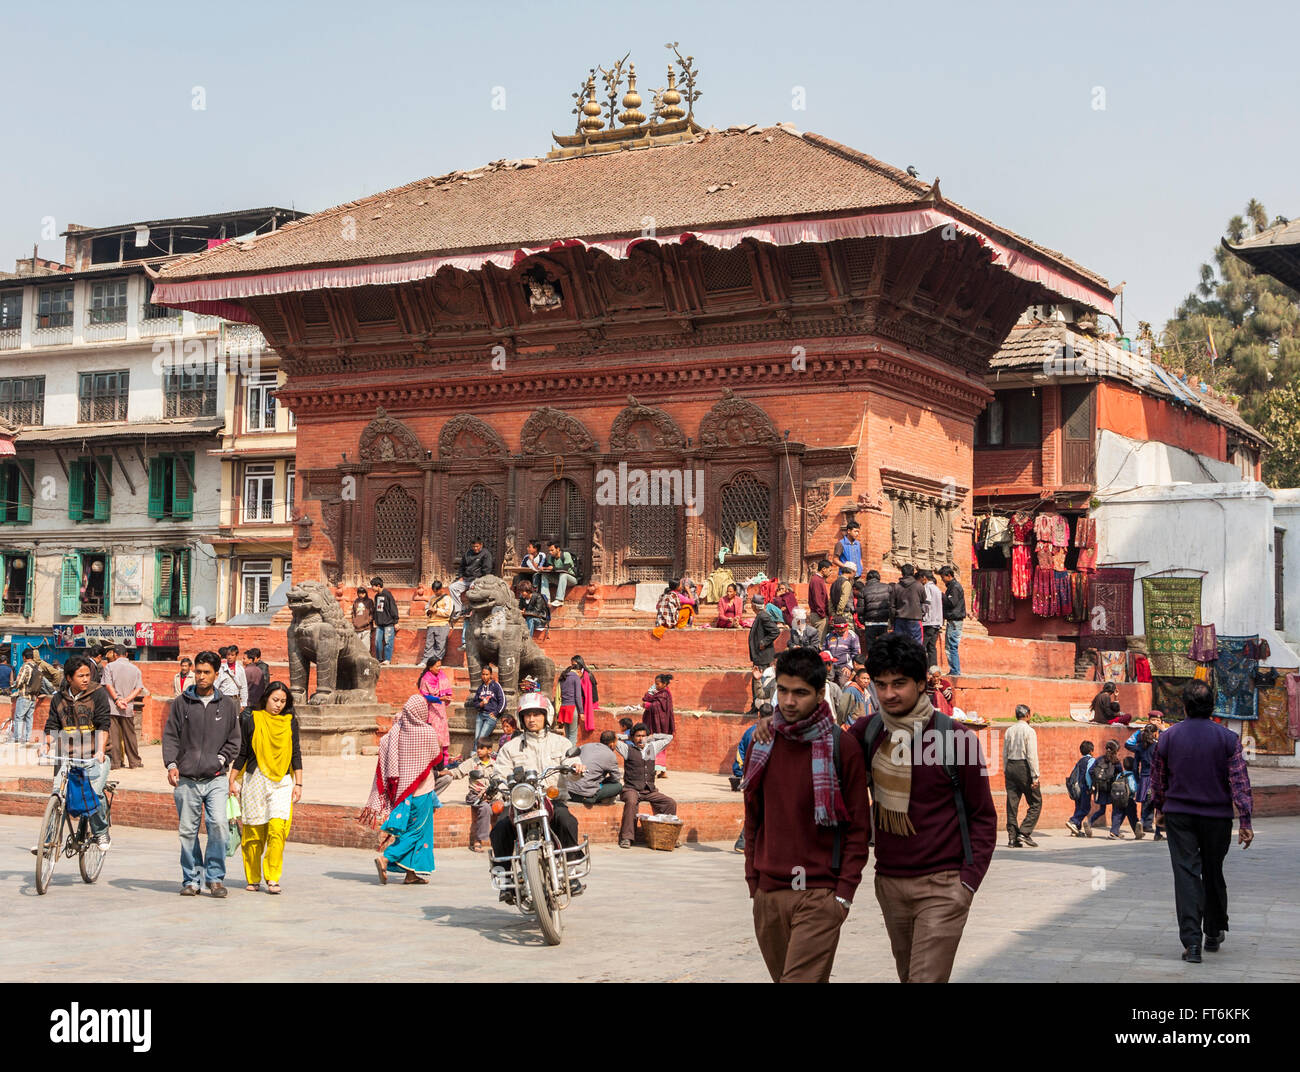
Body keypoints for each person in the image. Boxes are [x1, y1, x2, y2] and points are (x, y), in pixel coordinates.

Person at [856, 633, 996, 983]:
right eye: (881, 684)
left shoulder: (957, 737)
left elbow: (983, 815)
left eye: (899, 683)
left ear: (921, 684)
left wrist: (967, 881)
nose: (888, 694)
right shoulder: (867, 733)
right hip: (890, 883)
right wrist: (771, 723)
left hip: (944, 884)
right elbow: (817, 745)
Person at [742, 647, 870, 983]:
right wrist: (754, 882)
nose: (788, 701)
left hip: (819, 893)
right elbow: (754, 818)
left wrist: (842, 894)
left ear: (819, 693)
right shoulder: (763, 744)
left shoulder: (843, 748)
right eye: (782, 690)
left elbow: (859, 827)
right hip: (769, 893)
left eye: (800, 693)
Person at [1151, 679, 1254, 963]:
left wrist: (1159, 807)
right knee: (1212, 870)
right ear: (1212, 707)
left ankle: (1191, 943)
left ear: (1183, 706)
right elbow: (1239, 782)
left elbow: (1158, 779)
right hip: (1217, 818)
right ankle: (1213, 931)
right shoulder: (1227, 739)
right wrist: (1245, 821)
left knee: (1186, 874)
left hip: (1179, 816)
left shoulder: (1169, 737)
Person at [163, 651, 242, 896]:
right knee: (188, 831)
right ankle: (191, 879)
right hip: (186, 778)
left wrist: (220, 759)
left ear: (216, 675)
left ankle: (215, 877)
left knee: (218, 825)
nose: (201, 676)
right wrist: (172, 764)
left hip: (216, 778)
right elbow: (171, 737)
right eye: (198, 671)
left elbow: (234, 740)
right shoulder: (181, 703)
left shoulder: (227, 705)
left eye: (206, 672)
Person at [489, 694, 585, 882]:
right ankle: (503, 873)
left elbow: (572, 764)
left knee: (567, 821)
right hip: (520, 803)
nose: (532, 719)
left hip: (551, 801)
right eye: (527, 715)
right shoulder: (511, 747)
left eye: (536, 714)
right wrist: (496, 784)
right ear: (521, 719)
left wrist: (576, 768)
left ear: (546, 716)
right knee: (500, 827)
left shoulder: (561, 743)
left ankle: (571, 869)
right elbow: (499, 772)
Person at [360, 694, 444, 885]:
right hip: (422, 791)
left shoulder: (396, 732)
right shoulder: (426, 732)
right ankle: (386, 857)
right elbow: (438, 759)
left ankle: (411, 874)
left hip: (403, 793)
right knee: (417, 832)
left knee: (417, 831)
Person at [230, 681, 302, 893]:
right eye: (275, 700)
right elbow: (242, 751)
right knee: (253, 832)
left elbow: (296, 753)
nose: (278, 705)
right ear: (266, 698)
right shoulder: (252, 719)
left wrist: (298, 783)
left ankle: (272, 877)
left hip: (282, 781)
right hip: (255, 780)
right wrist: (232, 779)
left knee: (277, 829)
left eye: (283, 701)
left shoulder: (289, 722)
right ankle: (253, 878)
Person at [41, 654, 113, 849]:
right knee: (58, 794)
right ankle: (48, 840)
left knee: (94, 794)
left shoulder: (98, 694)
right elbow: (52, 726)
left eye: (88, 675)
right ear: (69, 677)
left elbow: (103, 725)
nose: (85, 679)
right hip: (67, 756)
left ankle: (100, 832)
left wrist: (99, 751)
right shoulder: (58, 698)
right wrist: (45, 745)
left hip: (94, 755)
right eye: (81, 676)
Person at [614, 722, 676, 848]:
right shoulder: (627, 749)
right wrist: (628, 737)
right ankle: (627, 838)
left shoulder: (653, 747)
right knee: (631, 803)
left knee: (670, 803)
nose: (641, 738)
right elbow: (613, 738)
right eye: (637, 736)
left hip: (650, 790)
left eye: (643, 736)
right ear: (633, 737)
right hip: (631, 789)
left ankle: (666, 835)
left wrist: (652, 737)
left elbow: (669, 737)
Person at [446, 737, 496, 851]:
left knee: (504, 806)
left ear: (489, 750)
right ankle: (478, 840)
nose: (479, 751)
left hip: (491, 795)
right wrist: (442, 773)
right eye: (478, 748)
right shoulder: (472, 762)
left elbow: (499, 780)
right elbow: (457, 772)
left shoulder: (495, 765)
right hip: (475, 795)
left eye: (482, 748)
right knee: (485, 808)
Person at [1003, 703, 1042, 848]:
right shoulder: (1029, 731)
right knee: (1036, 801)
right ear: (1027, 715)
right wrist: (1035, 776)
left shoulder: (1009, 730)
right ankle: (1024, 832)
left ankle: (1012, 838)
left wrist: (1006, 769)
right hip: (1023, 767)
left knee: (1012, 804)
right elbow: (1031, 755)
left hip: (1011, 766)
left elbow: (1004, 753)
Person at [101, 644, 144, 770]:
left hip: (113, 706)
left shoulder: (109, 666)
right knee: (130, 735)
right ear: (126, 655)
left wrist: (117, 700)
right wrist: (126, 700)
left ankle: (115, 762)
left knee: (113, 736)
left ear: (114, 654)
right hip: (127, 706)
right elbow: (139, 688)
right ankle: (134, 761)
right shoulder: (135, 669)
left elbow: (108, 685)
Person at [14, 647, 57, 746]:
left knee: (19, 717)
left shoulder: (26, 666)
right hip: (34, 697)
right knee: (29, 717)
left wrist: (13, 685)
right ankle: (27, 739)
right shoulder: (38, 667)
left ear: (24, 657)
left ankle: (17, 739)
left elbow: (19, 682)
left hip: (24, 695)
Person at [567, 730, 624, 805]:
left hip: (569, 791)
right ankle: (592, 798)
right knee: (618, 786)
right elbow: (616, 779)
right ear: (612, 744)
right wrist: (604, 779)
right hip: (584, 795)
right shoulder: (611, 755)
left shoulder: (586, 745)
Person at [1126, 721, 1162, 838]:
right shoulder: (1157, 746)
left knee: (1147, 804)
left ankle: (1141, 822)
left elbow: (1135, 766)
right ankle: (1157, 833)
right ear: (1155, 733)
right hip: (1155, 779)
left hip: (1144, 778)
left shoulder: (1140, 747)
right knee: (1158, 805)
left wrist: (1137, 780)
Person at [1084, 739, 1122, 836]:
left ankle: (1089, 822)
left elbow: (1091, 771)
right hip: (1112, 789)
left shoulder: (1099, 759)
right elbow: (1121, 774)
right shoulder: (1116, 762)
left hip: (1100, 788)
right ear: (1116, 750)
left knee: (1102, 810)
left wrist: (1095, 782)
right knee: (1116, 810)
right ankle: (1114, 831)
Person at [557, 655, 596, 745]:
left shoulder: (563, 676)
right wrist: (581, 712)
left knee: (567, 735)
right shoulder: (575, 677)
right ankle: (571, 756)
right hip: (572, 708)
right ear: (578, 671)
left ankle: (565, 754)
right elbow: (577, 696)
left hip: (563, 708)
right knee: (573, 735)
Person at [641, 673, 675, 777]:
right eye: (655, 683)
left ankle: (655, 769)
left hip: (660, 724)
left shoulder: (664, 694)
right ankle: (661, 770)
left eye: (658, 684)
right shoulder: (658, 692)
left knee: (656, 745)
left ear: (664, 684)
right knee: (658, 745)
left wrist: (647, 705)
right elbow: (646, 697)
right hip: (656, 723)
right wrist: (650, 693)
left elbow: (658, 707)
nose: (656, 685)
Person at [449, 538, 494, 615]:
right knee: (452, 587)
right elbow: (462, 566)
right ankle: (458, 609)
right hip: (466, 578)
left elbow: (487, 570)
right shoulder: (468, 553)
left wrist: (480, 580)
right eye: (473, 546)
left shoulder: (486, 554)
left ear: (481, 545)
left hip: (477, 579)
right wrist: (460, 577)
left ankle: (472, 609)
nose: (475, 548)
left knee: (473, 588)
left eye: (477, 546)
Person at [938, 565, 966, 676]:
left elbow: (951, 603)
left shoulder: (954, 587)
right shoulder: (953, 586)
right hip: (954, 620)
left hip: (954, 620)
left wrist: (941, 595)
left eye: (943, 577)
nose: (942, 580)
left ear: (949, 576)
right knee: (951, 646)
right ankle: (954, 670)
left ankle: (955, 670)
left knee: (951, 646)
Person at [1065, 741, 1097, 836]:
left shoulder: (1079, 761)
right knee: (1086, 808)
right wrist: (1090, 786)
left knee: (1078, 807)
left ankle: (1075, 829)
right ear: (1091, 751)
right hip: (1084, 787)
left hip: (1076, 787)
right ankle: (1073, 821)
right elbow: (1088, 773)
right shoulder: (1091, 760)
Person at [857, 569, 893, 651]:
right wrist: (891, 620)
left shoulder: (863, 590)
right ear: (878, 577)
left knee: (871, 647)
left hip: (870, 623)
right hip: (884, 622)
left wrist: (863, 621)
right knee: (884, 646)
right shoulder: (888, 588)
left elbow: (860, 609)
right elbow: (892, 605)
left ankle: (872, 663)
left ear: (867, 578)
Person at [467, 665, 505, 743]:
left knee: (481, 739)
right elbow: (475, 702)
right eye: (483, 674)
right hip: (480, 715)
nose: (484, 676)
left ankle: (475, 754)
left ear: (491, 675)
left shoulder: (496, 686)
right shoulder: (480, 688)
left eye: (486, 674)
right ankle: (474, 754)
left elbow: (503, 701)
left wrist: (496, 713)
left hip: (490, 716)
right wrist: (480, 704)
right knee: (477, 739)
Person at [748, 593, 785, 672]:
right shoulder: (760, 616)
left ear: (754, 606)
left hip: (763, 656)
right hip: (760, 655)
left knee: (761, 680)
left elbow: (775, 631)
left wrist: (764, 642)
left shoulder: (763, 616)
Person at [1109, 756, 1142, 840]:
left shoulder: (1120, 774)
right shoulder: (1132, 775)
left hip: (1118, 798)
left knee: (1118, 815)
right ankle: (1137, 832)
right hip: (1129, 799)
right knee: (1132, 816)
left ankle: (1113, 831)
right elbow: (1133, 788)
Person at [890, 564, 924, 645]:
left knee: (899, 644)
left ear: (902, 573)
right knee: (916, 645)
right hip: (914, 618)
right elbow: (924, 600)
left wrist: (892, 620)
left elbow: (892, 605)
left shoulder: (896, 586)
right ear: (913, 572)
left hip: (900, 619)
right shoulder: (919, 586)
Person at [422, 580, 455, 663]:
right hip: (431, 623)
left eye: (437, 591)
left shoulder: (447, 599)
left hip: (442, 624)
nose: (436, 593)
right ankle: (426, 661)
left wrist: (436, 610)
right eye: (434, 591)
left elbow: (448, 612)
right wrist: (428, 611)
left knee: (440, 645)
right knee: (429, 644)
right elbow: (426, 608)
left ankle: (436, 662)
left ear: (441, 589)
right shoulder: (432, 598)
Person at [823, 616, 860, 686]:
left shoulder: (852, 636)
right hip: (831, 665)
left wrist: (849, 667)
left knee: (842, 683)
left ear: (846, 627)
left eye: (843, 628)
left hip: (844, 666)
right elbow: (825, 651)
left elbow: (856, 653)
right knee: (826, 682)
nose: (840, 630)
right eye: (838, 628)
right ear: (834, 627)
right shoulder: (829, 636)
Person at [370, 577, 399, 666]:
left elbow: (393, 607)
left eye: (373, 586)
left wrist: (396, 621)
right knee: (377, 642)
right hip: (380, 624)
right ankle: (379, 659)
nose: (372, 588)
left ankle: (387, 659)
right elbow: (376, 609)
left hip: (389, 623)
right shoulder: (376, 596)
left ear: (378, 586)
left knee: (388, 642)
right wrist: (375, 619)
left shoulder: (387, 594)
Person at [921, 569, 944, 669]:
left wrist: (922, 612)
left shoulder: (927, 587)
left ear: (924, 578)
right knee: (932, 647)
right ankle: (933, 668)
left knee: (922, 646)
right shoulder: (937, 588)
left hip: (929, 621)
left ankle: (920, 667)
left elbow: (927, 602)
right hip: (937, 621)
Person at [544, 541, 577, 608]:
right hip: (559, 579)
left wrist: (553, 568)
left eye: (552, 550)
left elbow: (565, 568)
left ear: (558, 549)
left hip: (570, 579)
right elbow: (550, 568)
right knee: (544, 576)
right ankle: (546, 599)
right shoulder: (551, 557)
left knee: (563, 574)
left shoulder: (566, 555)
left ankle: (559, 599)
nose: (550, 552)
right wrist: (545, 569)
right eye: (549, 550)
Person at [216, 645, 248, 711]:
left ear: (236, 656)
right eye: (228, 655)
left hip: (235, 699)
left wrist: (243, 703)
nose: (230, 657)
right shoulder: (221, 668)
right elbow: (216, 685)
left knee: (235, 719)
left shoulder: (240, 669)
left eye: (232, 655)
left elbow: (244, 686)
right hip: (223, 698)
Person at [807, 560, 833, 642]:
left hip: (819, 614)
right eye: (830, 570)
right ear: (824, 569)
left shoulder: (818, 579)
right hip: (819, 615)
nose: (830, 573)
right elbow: (817, 599)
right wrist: (822, 615)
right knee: (819, 643)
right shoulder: (817, 580)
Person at [241, 649, 266, 715]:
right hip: (258, 701)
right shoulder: (259, 670)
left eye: (244, 659)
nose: (242, 660)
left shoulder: (245, 671)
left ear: (250, 660)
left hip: (247, 702)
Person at [351, 586, 375, 653]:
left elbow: (372, 614)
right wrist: (354, 622)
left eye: (363, 593)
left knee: (365, 647)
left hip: (366, 628)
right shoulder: (356, 602)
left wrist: (367, 622)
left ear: (366, 593)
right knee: (357, 647)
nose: (361, 595)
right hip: (357, 628)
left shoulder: (369, 602)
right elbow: (353, 613)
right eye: (359, 593)